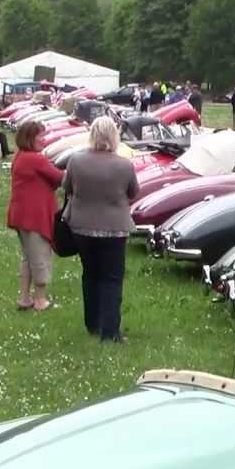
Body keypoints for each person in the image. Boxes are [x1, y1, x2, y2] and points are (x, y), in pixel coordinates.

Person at [62, 117, 139, 343]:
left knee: (90, 274)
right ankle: (110, 332)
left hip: (81, 227)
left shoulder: (76, 161)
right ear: (114, 136)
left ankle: (92, 323)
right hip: (114, 230)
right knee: (112, 279)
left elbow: (66, 187)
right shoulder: (124, 165)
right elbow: (134, 191)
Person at [6, 120, 64, 312]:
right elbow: (59, 177)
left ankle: (24, 298)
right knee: (40, 257)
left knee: (28, 258)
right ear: (30, 138)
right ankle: (40, 300)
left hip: (22, 216)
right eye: (40, 136)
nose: (44, 140)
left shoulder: (20, 156)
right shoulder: (35, 159)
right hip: (33, 218)